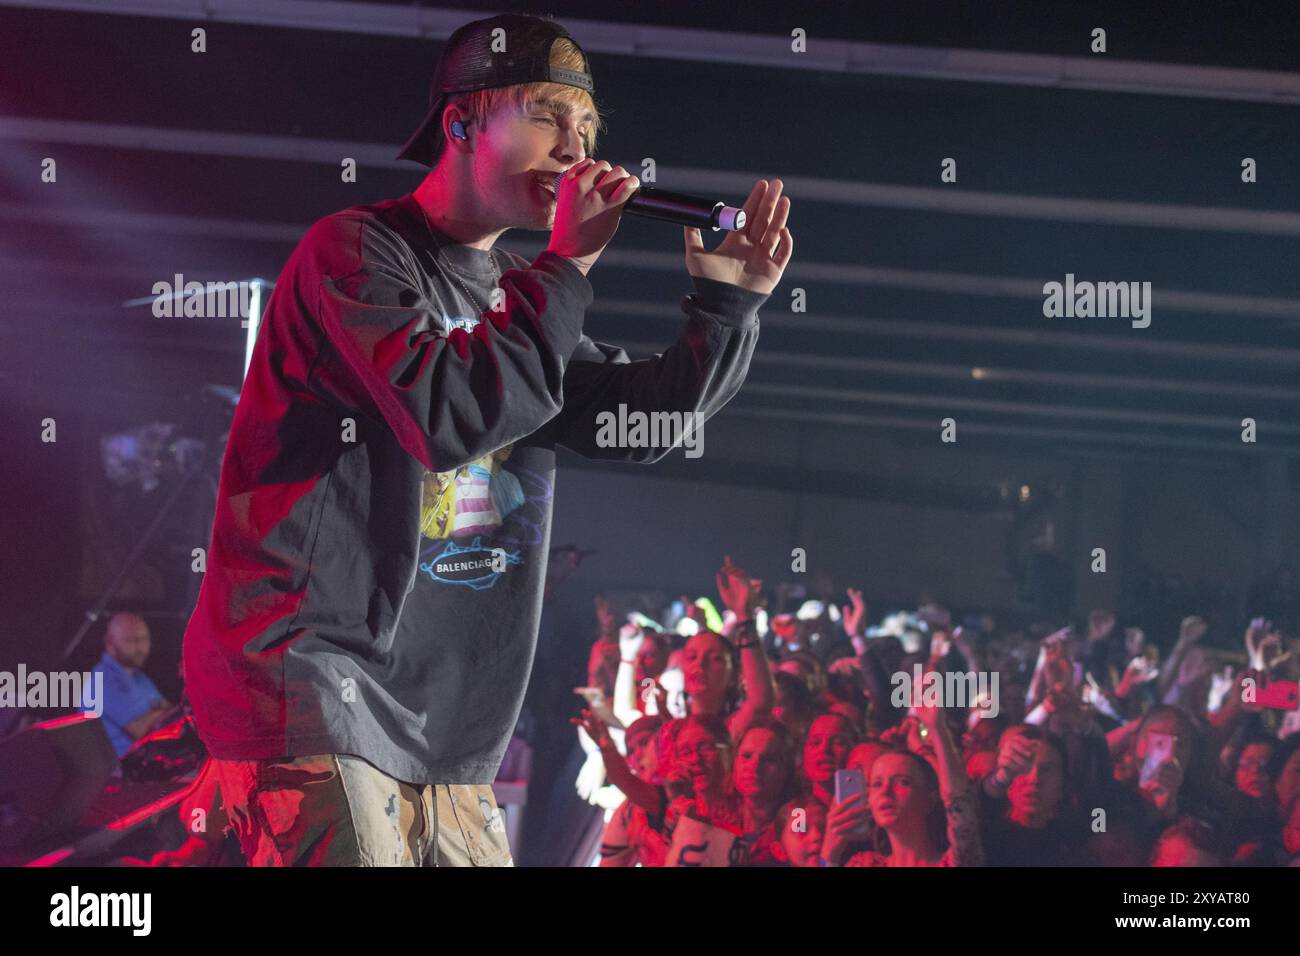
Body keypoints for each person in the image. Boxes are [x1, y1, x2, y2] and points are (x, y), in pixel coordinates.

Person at [181, 13, 791, 867]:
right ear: (461, 122)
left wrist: (727, 308)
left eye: (586, 127)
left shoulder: (516, 289)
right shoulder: (357, 254)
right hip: (317, 681)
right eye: (547, 115)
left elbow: (639, 421)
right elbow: (444, 414)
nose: (575, 148)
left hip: (449, 719)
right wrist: (568, 268)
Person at [83, 613, 173, 758]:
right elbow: (143, 730)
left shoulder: (139, 676)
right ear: (109, 643)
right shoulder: (102, 680)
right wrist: (160, 710)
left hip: (147, 766)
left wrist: (157, 712)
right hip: (118, 774)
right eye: (131, 640)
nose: (140, 647)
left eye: (144, 639)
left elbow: (168, 710)